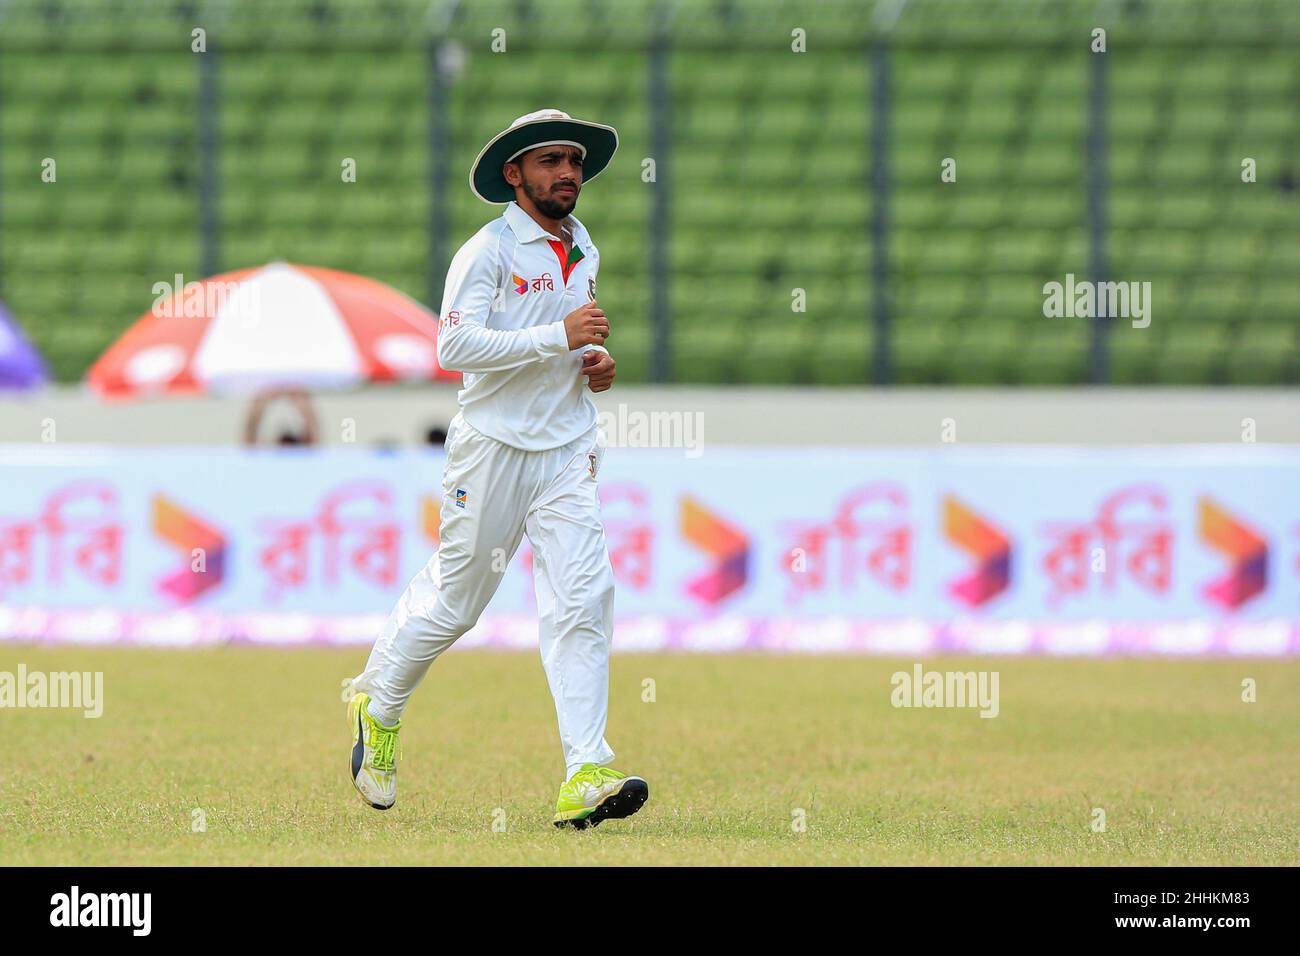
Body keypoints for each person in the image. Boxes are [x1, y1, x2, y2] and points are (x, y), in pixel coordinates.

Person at [344, 110, 647, 829]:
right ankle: (378, 705)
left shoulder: (582, 246)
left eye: (573, 160)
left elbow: (563, 346)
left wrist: (590, 364)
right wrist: (559, 336)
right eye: (549, 161)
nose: (567, 172)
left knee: (584, 596)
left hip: (567, 447)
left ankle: (586, 772)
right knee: (459, 601)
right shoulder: (486, 252)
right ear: (514, 174)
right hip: (493, 447)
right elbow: (454, 348)